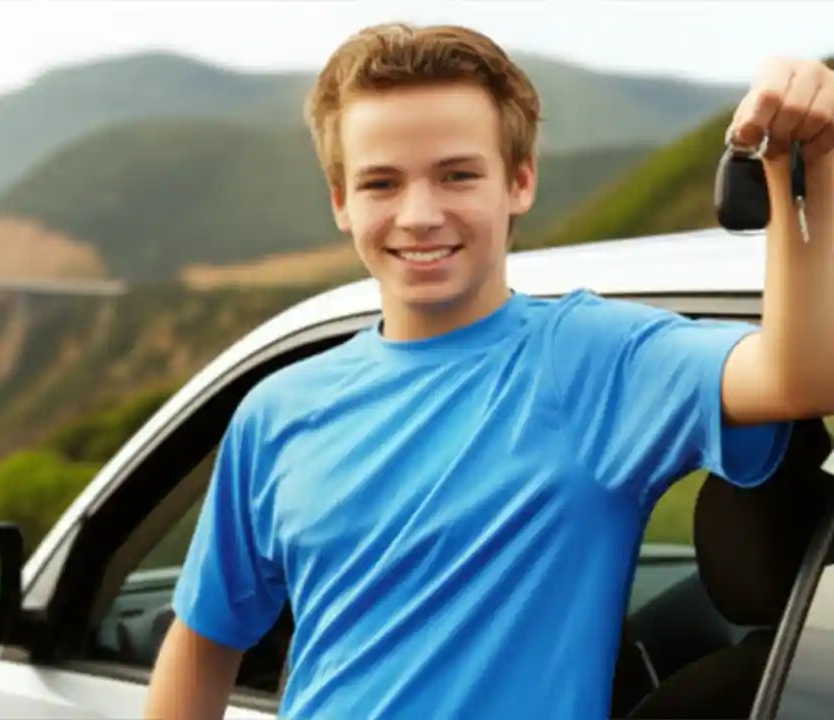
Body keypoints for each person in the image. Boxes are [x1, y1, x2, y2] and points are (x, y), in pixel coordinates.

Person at [143, 21, 834, 720]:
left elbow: (803, 376)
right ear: (341, 201)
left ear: (521, 180)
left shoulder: (600, 362)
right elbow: (203, 643)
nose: (418, 215)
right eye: (381, 183)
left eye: (458, 174)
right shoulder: (277, 410)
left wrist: (810, 158)